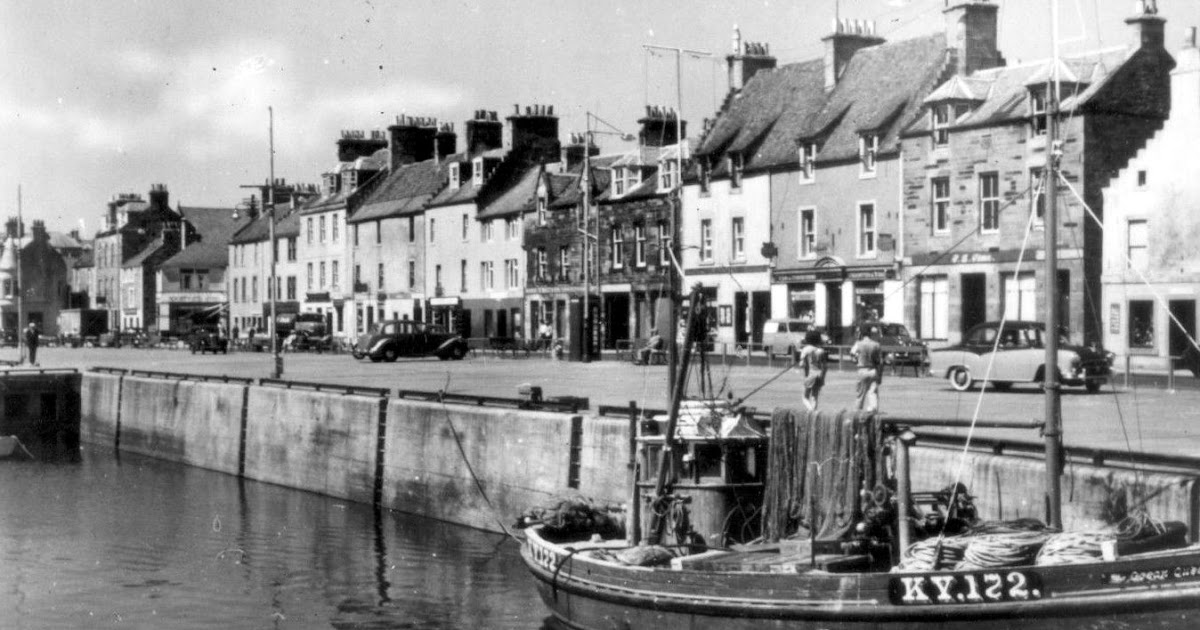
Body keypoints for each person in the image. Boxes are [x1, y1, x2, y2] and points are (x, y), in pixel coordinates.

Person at [850, 326, 883, 412]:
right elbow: (880, 362)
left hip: (862, 369)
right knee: (873, 393)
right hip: (873, 370)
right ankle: (873, 413)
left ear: (861, 333)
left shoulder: (858, 343)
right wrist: (880, 376)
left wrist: (855, 360)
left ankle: (857, 414)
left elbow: (852, 354)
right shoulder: (876, 344)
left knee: (860, 395)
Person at [796, 330, 827, 411]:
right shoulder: (821, 351)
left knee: (805, 397)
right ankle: (814, 414)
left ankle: (812, 412)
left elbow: (802, 364)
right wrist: (822, 378)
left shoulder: (806, 349)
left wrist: (801, 362)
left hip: (810, 375)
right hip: (819, 375)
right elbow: (825, 367)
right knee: (814, 397)